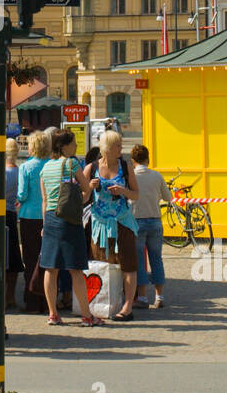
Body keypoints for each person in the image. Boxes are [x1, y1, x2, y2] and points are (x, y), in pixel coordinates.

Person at [38, 129, 99, 326]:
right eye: (73, 143)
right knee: (75, 268)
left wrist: (45, 224)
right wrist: (90, 187)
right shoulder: (71, 163)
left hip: (50, 219)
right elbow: (86, 191)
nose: (76, 146)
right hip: (69, 221)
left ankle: (53, 313)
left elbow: (45, 200)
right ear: (64, 146)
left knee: (51, 268)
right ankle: (87, 316)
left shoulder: (45, 168)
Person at [84, 131, 139, 321]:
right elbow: (81, 198)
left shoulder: (125, 166)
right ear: (107, 148)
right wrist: (90, 187)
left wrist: (123, 190)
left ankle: (127, 306)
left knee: (128, 265)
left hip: (122, 223)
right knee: (103, 265)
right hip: (99, 226)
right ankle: (103, 303)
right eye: (117, 145)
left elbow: (136, 194)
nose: (120, 148)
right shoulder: (91, 168)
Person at [128, 144, 170, 309]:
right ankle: (159, 296)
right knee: (156, 258)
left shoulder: (131, 176)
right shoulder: (157, 175)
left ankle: (143, 297)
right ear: (148, 158)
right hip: (155, 221)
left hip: (137, 221)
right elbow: (168, 197)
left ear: (132, 161)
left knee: (139, 260)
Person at [15, 131, 50, 313]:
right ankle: (46, 300)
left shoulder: (26, 167)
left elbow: (22, 194)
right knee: (46, 259)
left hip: (29, 215)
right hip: (48, 216)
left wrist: (19, 200)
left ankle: (32, 301)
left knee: (30, 259)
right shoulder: (51, 165)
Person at [3, 137, 24, 307]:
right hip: (11, 214)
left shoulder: (1, 173)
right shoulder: (19, 171)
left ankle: (2, 294)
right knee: (14, 256)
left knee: (1, 257)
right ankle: (11, 295)